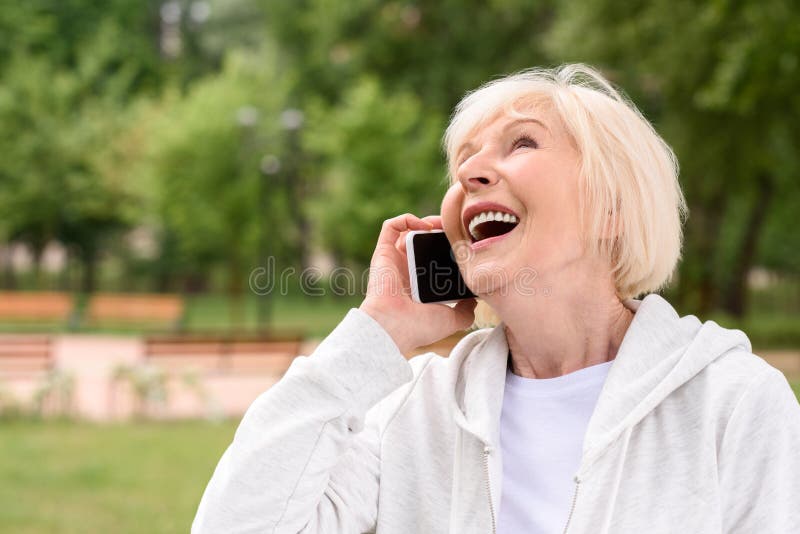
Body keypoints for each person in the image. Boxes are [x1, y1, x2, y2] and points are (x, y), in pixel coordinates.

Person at [192, 64, 800, 534]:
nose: (470, 174)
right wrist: (376, 333)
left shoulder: (733, 403)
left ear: (611, 207)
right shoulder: (414, 410)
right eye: (464, 161)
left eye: (522, 143)